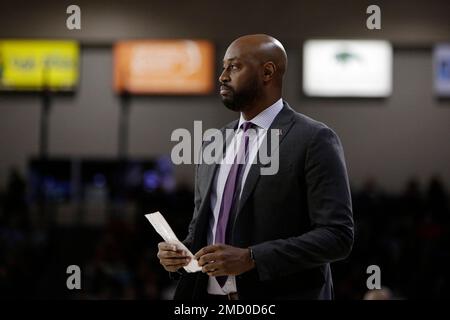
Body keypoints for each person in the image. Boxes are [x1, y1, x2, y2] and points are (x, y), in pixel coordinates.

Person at [157, 34, 354, 300]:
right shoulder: (212, 142)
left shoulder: (313, 139)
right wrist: (181, 254)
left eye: (234, 67)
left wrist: (252, 258)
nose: (222, 76)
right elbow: (201, 228)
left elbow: (337, 236)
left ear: (267, 72)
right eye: (223, 66)